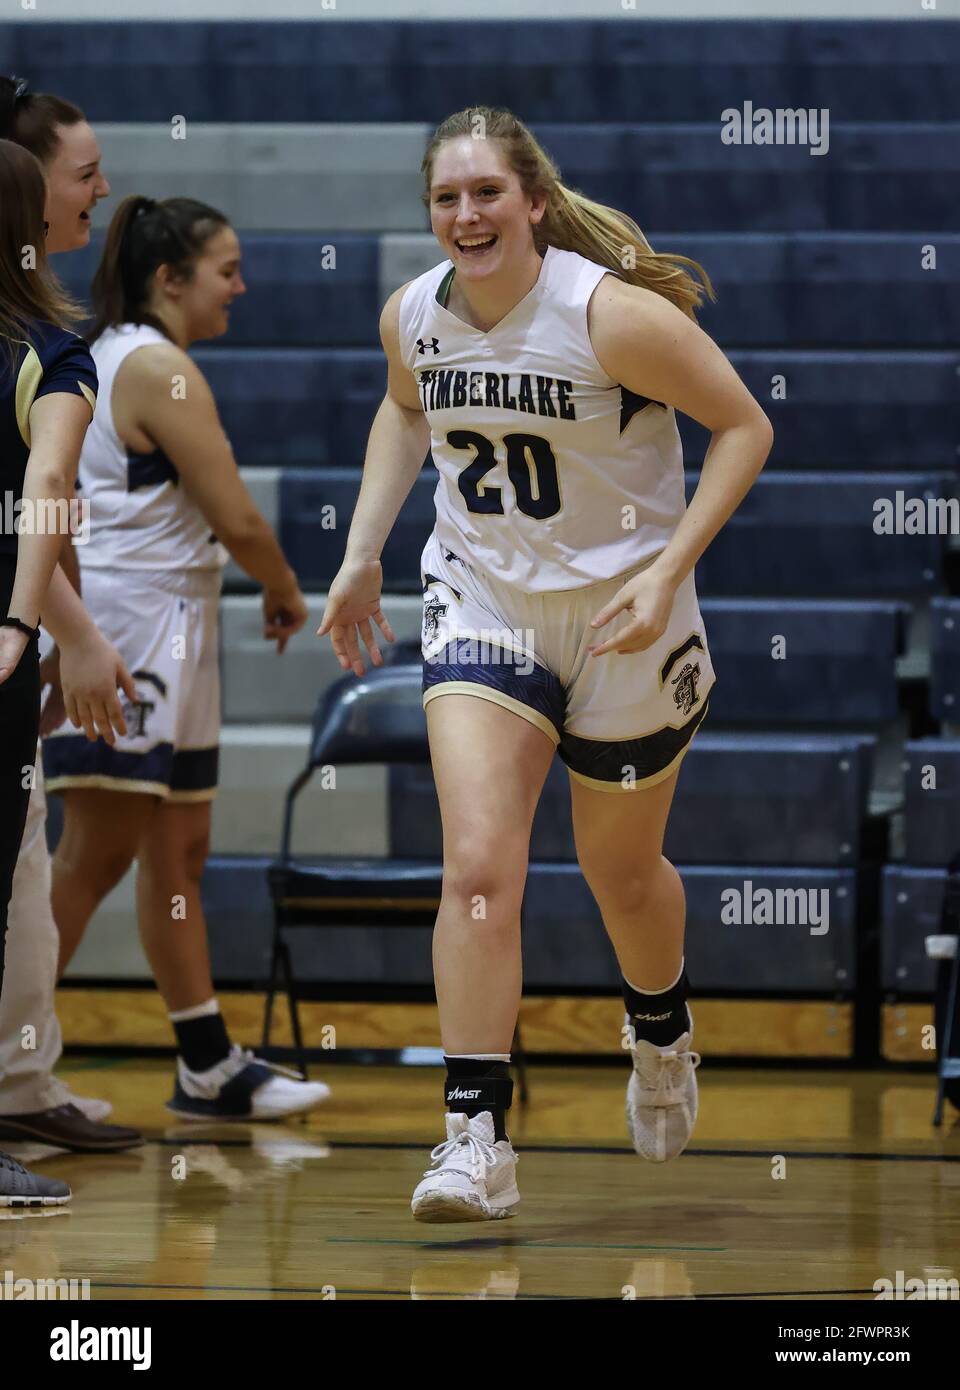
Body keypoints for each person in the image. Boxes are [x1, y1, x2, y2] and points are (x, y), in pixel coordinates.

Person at [318, 106, 774, 1222]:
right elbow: (400, 409)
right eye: (445, 197)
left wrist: (668, 570)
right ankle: (474, 1133)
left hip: (626, 616)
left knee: (623, 879)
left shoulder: (611, 316)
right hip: (483, 604)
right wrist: (362, 551)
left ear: (529, 200)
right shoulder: (413, 315)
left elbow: (747, 428)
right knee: (479, 865)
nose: (464, 215)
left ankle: (660, 1027)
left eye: (484, 193)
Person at [43, 193, 331, 1121]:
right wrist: (286, 589)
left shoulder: (125, 358)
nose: (240, 287)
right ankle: (11, 1056)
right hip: (131, 630)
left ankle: (205, 1060)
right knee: (94, 853)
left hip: (175, 624)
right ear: (170, 280)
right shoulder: (154, 366)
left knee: (180, 849)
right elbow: (236, 514)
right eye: (226, 270)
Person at [0, 73, 143, 1152]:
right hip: (14, 623)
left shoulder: (48, 331)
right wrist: (64, 635)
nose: (102, 190)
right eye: (83, 174)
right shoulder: (48, 353)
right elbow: (26, 504)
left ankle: (21, 1080)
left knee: (29, 864)